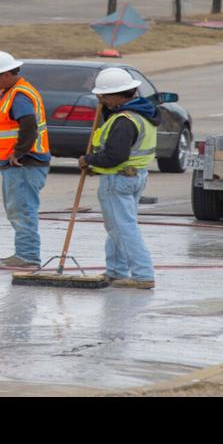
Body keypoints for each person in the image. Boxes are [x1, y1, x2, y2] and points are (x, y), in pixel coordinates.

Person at [78, 67, 157, 289]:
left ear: (117, 95)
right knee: (117, 227)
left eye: (103, 95)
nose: (99, 99)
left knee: (123, 228)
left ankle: (142, 274)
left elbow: (115, 155)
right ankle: (115, 271)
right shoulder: (142, 113)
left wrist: (89, 160)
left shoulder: (124, 120)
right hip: (135, 176)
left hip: (119, 179)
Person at [0, 50, 50, 268]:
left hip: (26, 163)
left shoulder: (20, 95)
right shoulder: (5, 93)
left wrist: (19, 152)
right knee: (17, 210)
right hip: (15, 164)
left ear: (7, 74)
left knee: (22, 211)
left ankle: (27, 257)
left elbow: (28, 125)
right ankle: (24, 254)